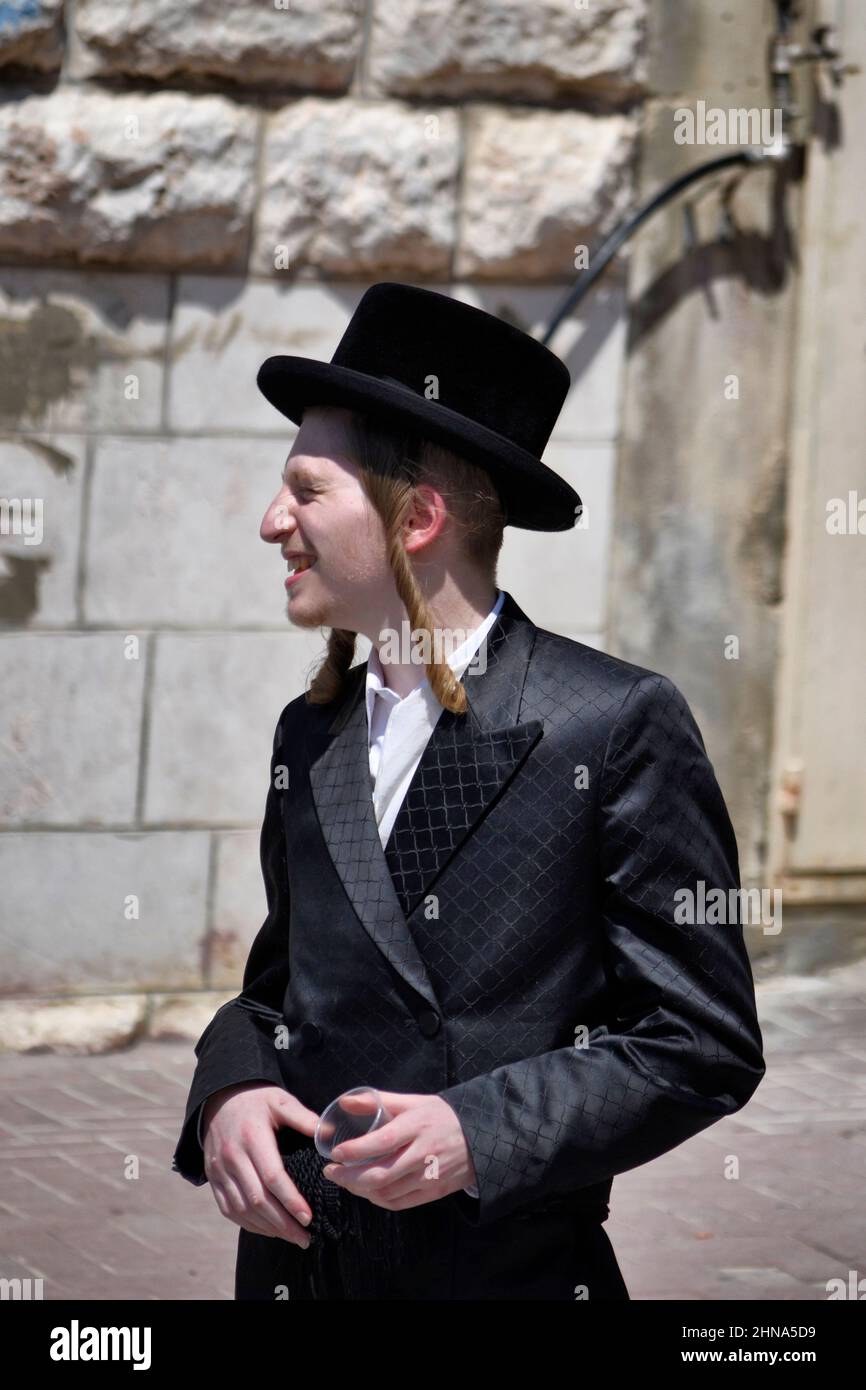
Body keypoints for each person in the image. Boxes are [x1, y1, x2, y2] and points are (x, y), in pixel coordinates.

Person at [172, 282, 766, 1300]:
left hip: (499, 1274)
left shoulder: (609, 722)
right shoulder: (307, 730)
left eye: (307, 490)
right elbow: (279, 994)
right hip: (298, 1270)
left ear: (417, 518)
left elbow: (697, 1038)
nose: (274, 521)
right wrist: (229, 1088)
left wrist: (475, 1131)